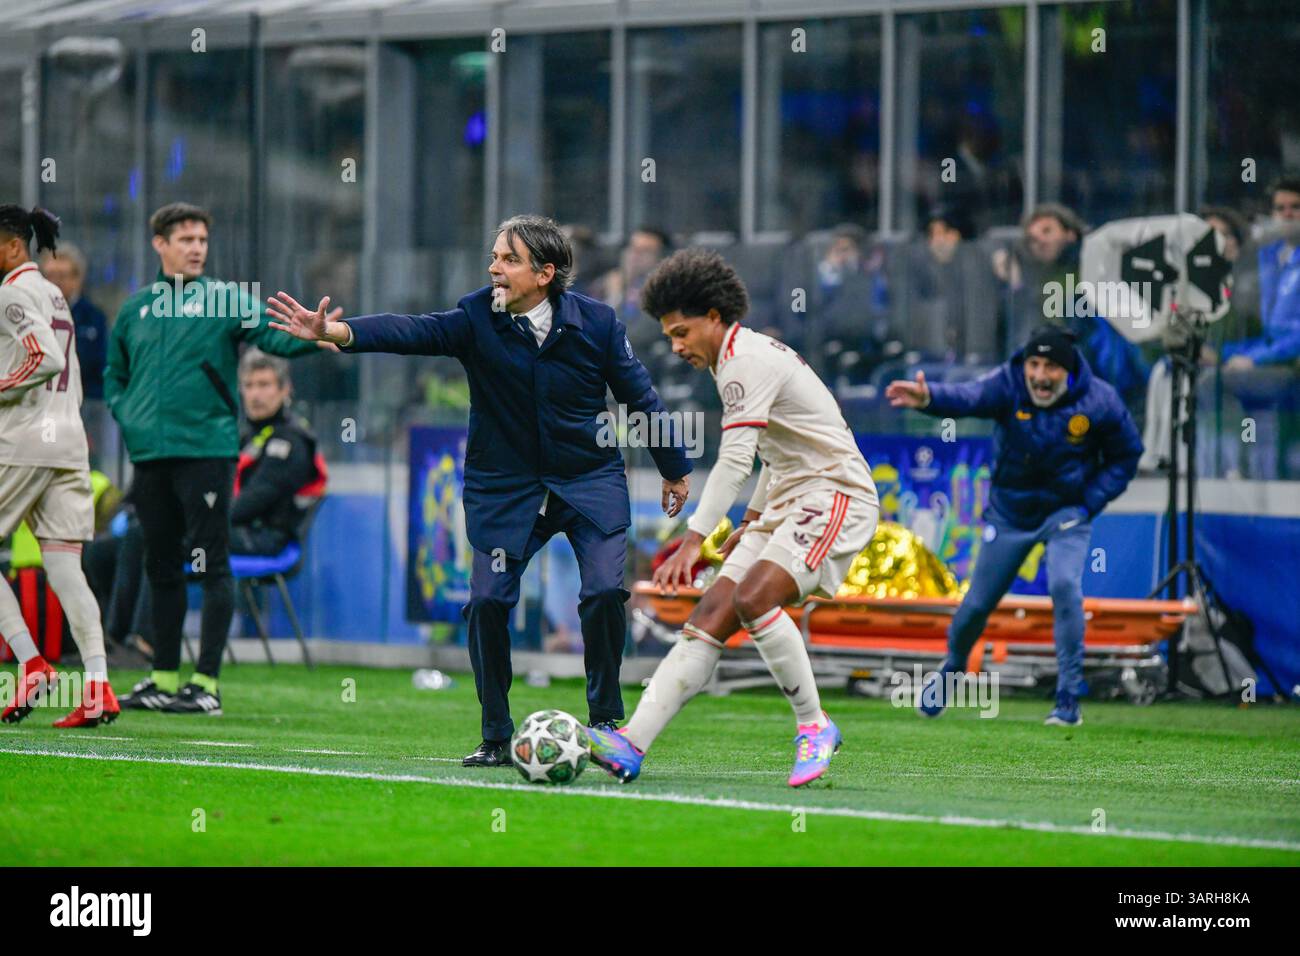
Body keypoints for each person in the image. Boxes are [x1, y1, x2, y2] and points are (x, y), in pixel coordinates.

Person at [267, 214, 693, 767]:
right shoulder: (475, 316)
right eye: (494, 256)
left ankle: (606, 722)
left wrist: (674, 468)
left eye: (508, 259)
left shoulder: (599, 323)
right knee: (488, 602)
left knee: (606, 593)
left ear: (545, 273)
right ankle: (496, 735)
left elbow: (641, 397)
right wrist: (340, 333)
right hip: (506, 488)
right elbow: (413, 330)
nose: (494, 267)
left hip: (588, 480)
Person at [585, 249, 880, 788]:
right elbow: (776, 449)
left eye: (681, 332)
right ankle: (632, 742)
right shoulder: (736, 358)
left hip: (835, 495)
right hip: (790, 498)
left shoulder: (745, 362)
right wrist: (756, 515)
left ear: (714, 318)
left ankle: (815, 725)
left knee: (753, 599)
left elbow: (737, 459)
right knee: (711, 615)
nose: (676, 347)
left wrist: (696, 537)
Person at [108, 202, 326, 716]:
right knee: (160, 563)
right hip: (151, 454)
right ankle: (162, 678)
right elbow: (114, 377)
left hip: (207, 453)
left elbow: (274, 338)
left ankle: (204, 684)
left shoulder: (227, 299)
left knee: (212, 564)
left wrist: (313, 336)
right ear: (159, 244)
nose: (197, 248)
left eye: (202, 239)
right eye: (185, 239)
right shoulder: (135, 308)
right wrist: (129, 415)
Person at [887, 326, 1142, 726]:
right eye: (1034, 364)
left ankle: (1068, 697)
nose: (1040, 375)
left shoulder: (1099, 401)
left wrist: (1089, 503)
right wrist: (929, 398)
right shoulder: (1008, 384)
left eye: (1052, 367)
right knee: (975, 606)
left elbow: (1128, 455)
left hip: (1065, 515)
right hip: (1009, 515)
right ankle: (952, 669)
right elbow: (969, 397)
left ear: (1069, 371)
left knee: (1064, 585)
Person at [0, 204, 121, 728]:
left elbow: (44, 357)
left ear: (11, 247)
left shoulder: (11, 292)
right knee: (66, 567)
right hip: (69, 441)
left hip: (26, 440)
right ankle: (97, 685)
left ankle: (30, 662)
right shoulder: (54, 294)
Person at [231, 349, 325, 557]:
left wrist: (201, 520)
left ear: (285, 390)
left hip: (266, 538)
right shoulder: (251, 435)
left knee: (161, 536)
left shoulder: (290, 440)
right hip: (242, 530)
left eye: (264, 384)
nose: (255, 394)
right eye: (249, 385)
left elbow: (251, 502)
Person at [39, 243, 108, 400]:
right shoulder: (31, 314)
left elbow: (101, 370)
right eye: (49, 275)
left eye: (62, 276)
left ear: (77, 278)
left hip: (83, 405)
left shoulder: (94, 318)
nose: (55, 282)